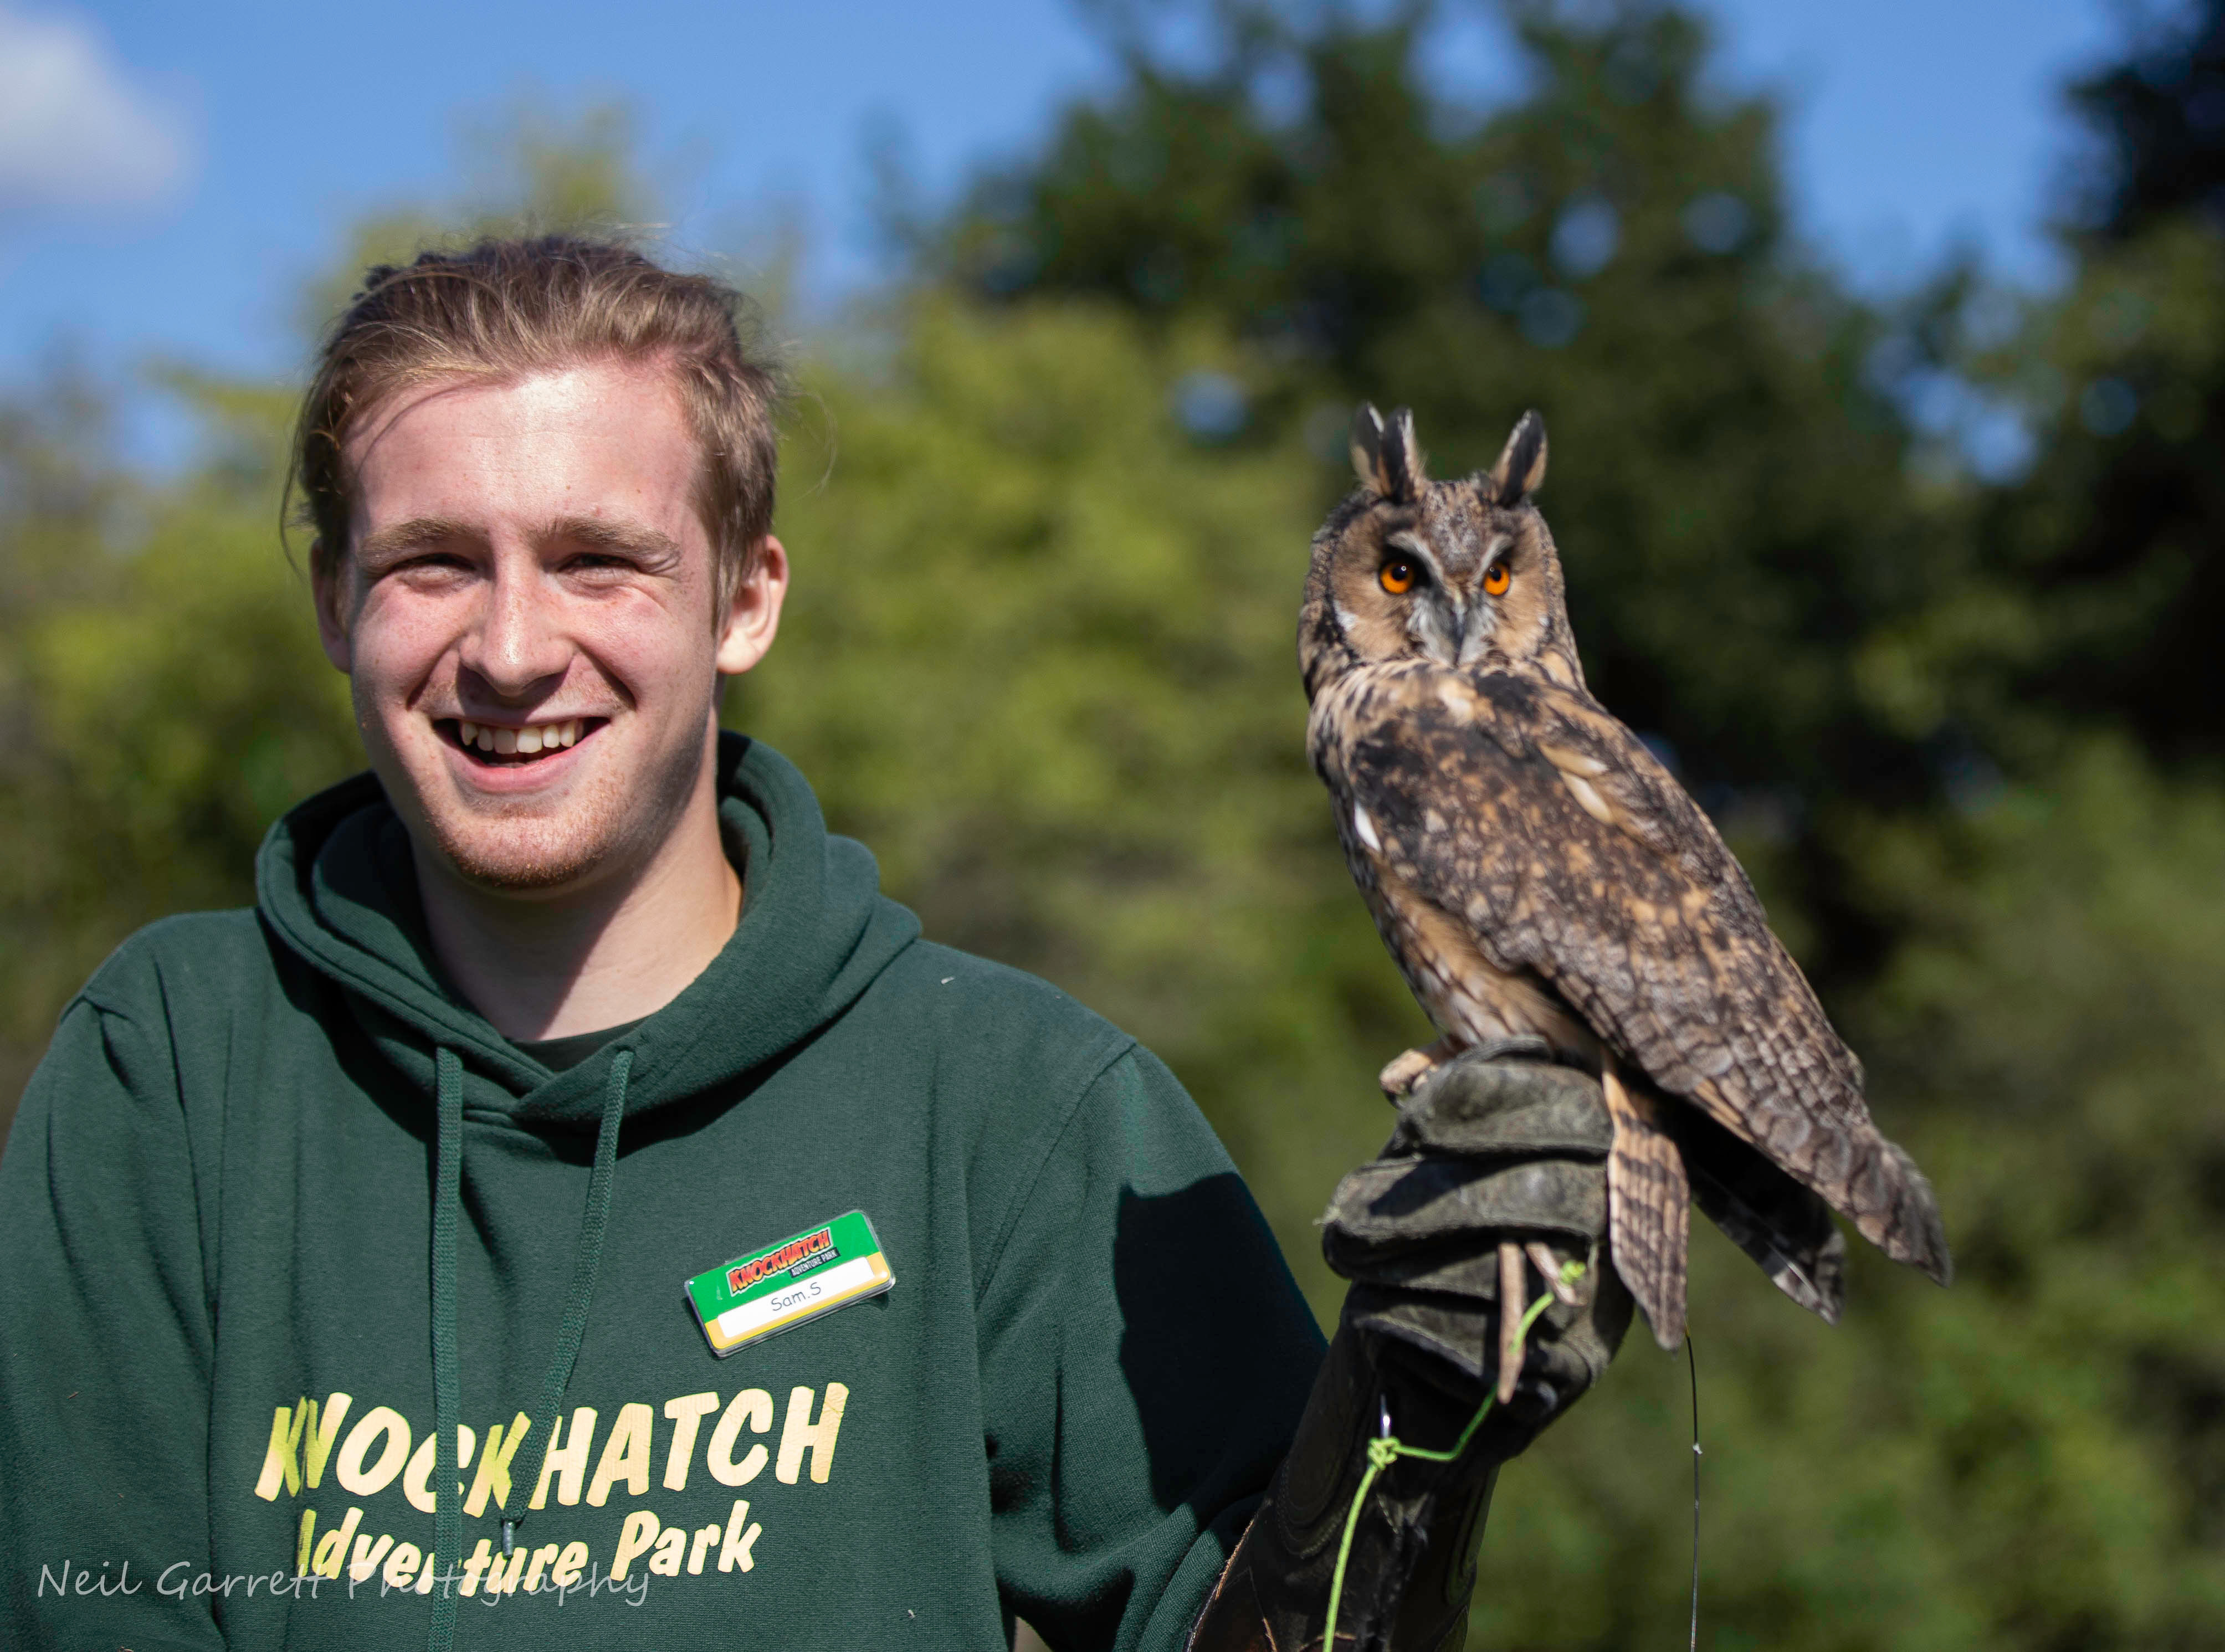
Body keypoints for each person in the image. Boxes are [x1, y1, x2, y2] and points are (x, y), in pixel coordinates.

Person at [0, 236, 1624, 1651]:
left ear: (746, 599)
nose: (508, 647)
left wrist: (1404, 1448)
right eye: (433, 563)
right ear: (334, 599)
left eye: (597, 560)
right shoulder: (174, 1077)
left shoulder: (1013, 1109)